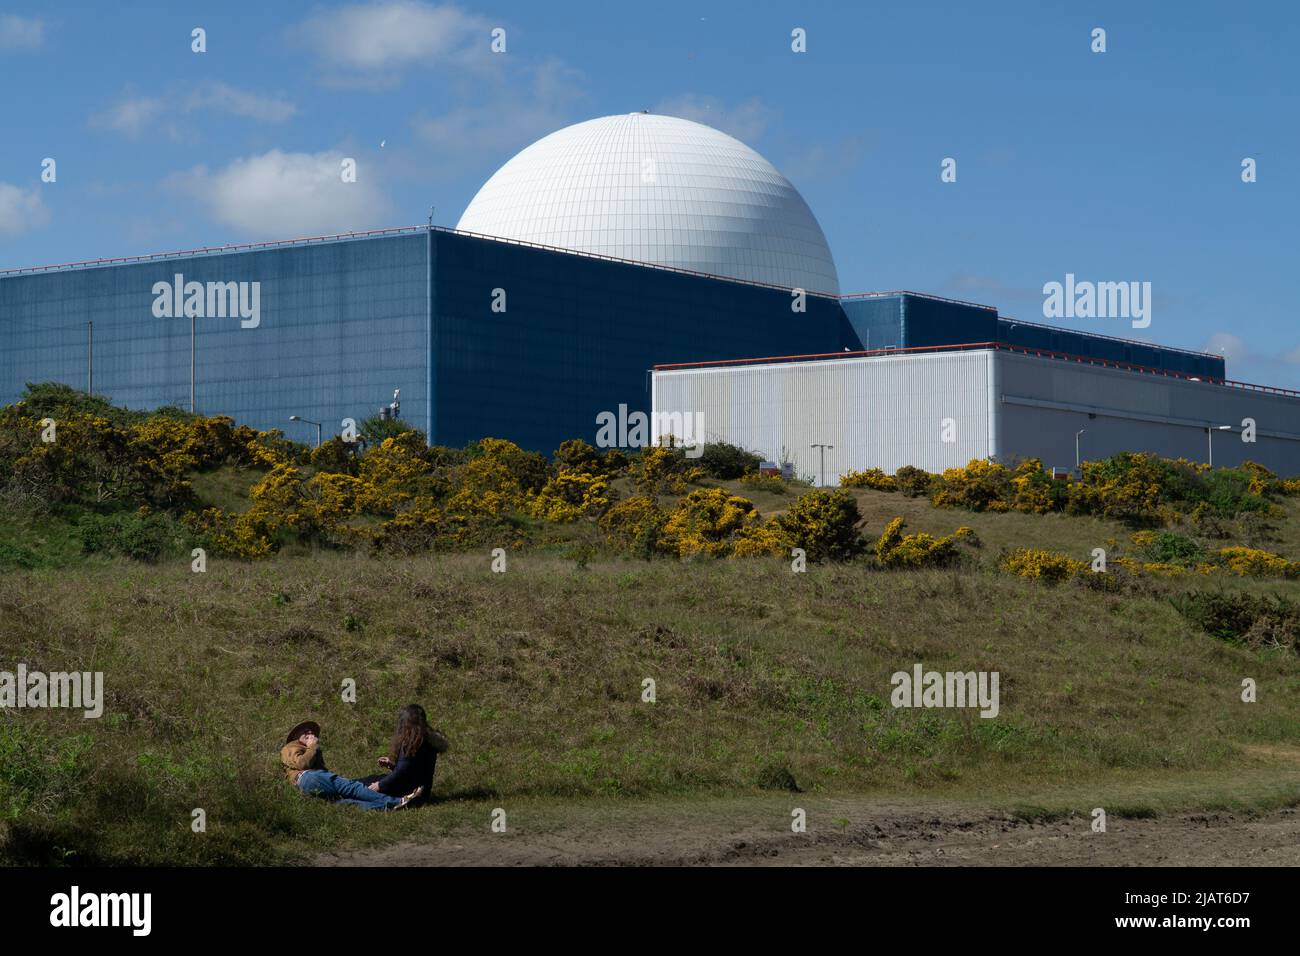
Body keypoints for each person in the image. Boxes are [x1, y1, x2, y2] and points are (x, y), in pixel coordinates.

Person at [280, 720, 423, 811]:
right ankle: (398, 801)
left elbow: (321, 772)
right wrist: (313, 745)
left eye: (311, 731)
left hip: (309, 784)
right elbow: (302, 764)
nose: (309, 733)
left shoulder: (310, 749)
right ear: (295, 737)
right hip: (306, 778)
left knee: (348, 803)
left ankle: (395, 806)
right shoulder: (290, 747)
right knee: (352, 787)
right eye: (305, 731)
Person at [359, 704, 449, 805]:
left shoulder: (412, 742)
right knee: (366, 780)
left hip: (406, 793)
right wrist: (392, 765)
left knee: (356, 787)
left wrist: (380, 785)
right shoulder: (426, 740)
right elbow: (412, 771)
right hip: (420, 793)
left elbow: (401, 773)